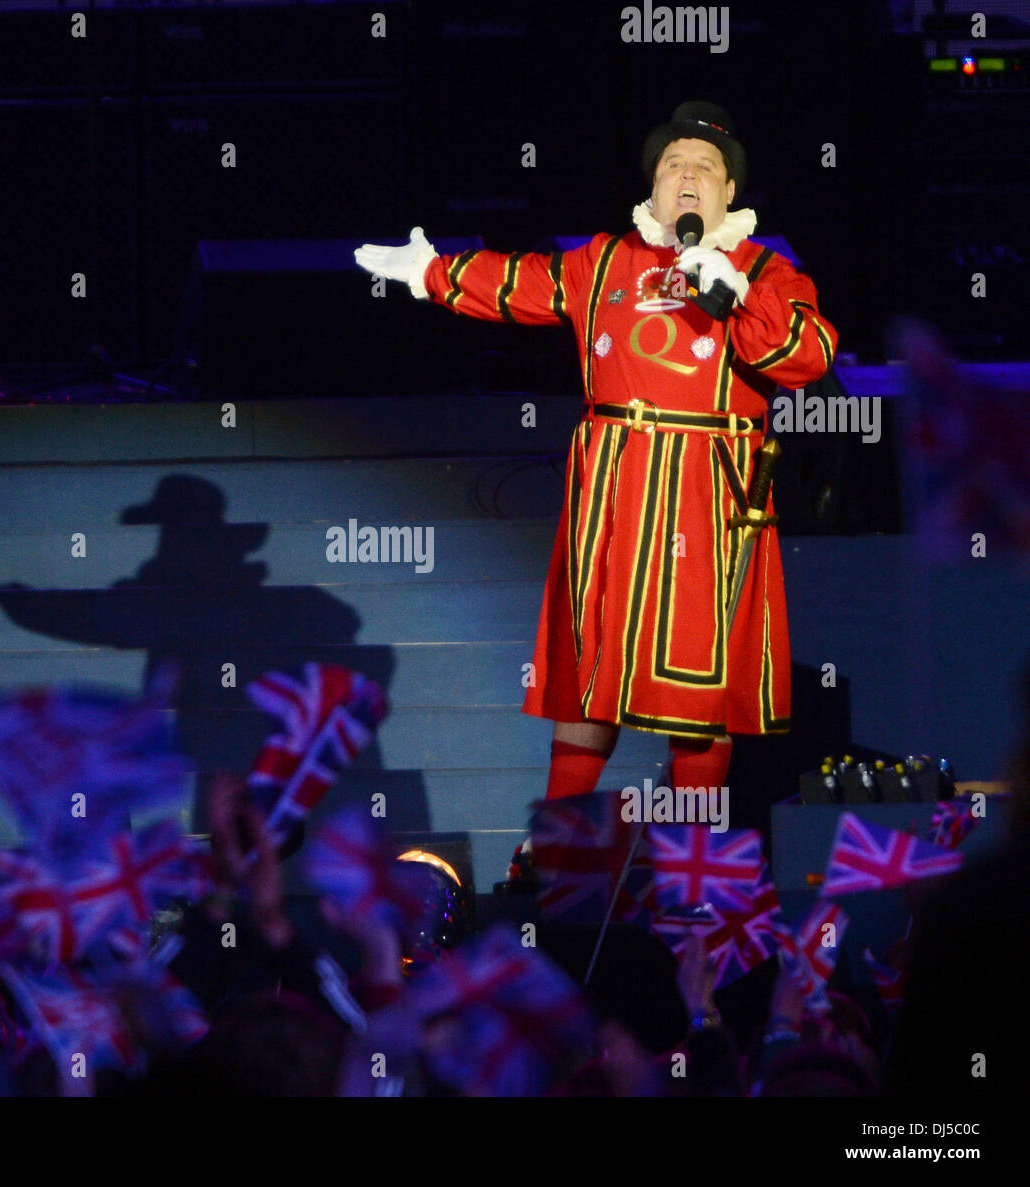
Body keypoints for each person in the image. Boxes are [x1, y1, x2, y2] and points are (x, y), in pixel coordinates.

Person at [356, 101, 838, 798]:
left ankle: (691, 876)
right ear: (653, 187)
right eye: (673, 165)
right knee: (594, 669)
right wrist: (434, 272)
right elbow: (522, 283)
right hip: (616, 493)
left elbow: (812, 354)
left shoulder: (765, 269)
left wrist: (738, 300)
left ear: (730, 190)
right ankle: (563, 860)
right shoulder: (608, 258)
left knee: (697, 681)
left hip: (708, 493)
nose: (689, 177)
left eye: (706, 166)